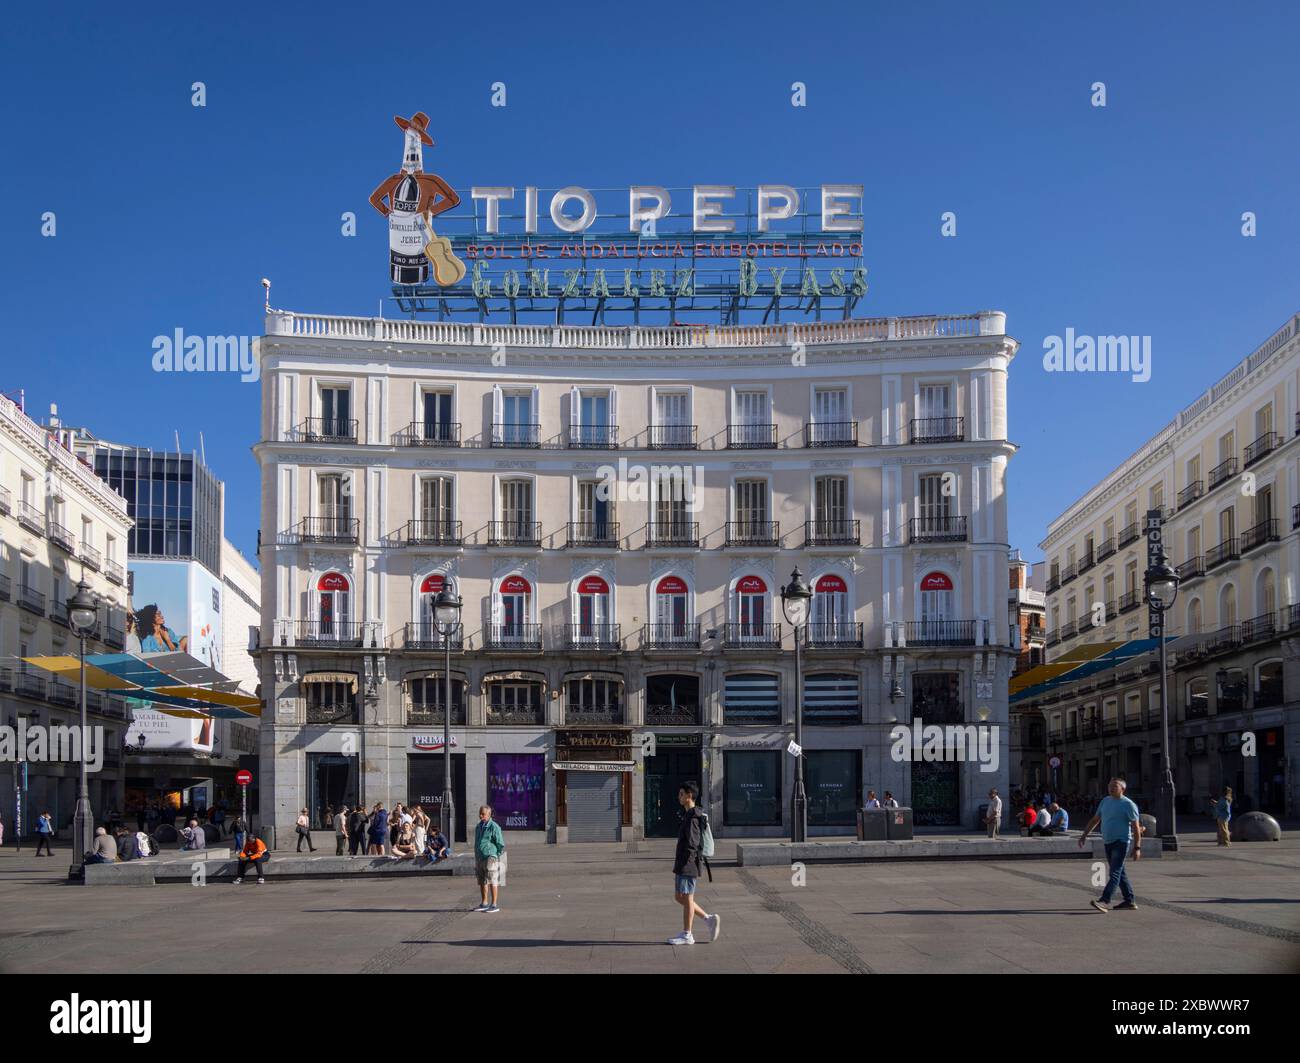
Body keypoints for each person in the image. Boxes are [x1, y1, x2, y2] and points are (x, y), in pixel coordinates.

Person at [1080, 777, 1142, 912]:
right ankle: (1129, 901)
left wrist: (1137, 847)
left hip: (1121, 842)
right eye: (1110, 786)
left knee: (1114, 872)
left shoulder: (1128, 804)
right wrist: (1084, 835)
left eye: (1115, 786)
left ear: (1123, 789)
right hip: (1108, 841)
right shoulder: (1105, 801)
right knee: (1120, 872)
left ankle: (1104, 900)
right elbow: (1096, 819)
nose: (1111, 788)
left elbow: (1136, 827)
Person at [668, 782, 718, 946]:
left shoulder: (693, 818)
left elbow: (693, 843)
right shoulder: (689, 815)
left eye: (681, 794)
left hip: (688, 864)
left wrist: (686, 865)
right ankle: (708, 919)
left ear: (689, 795)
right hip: (685, 863)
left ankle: (687, 934)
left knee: (688, 898)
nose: (679, 797)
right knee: (679, 897)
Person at [473, 804, 506, 913]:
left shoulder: (494, 827)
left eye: (483, 814)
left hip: (490, 857)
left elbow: (500, 843)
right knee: (482, 881)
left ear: (489, 814)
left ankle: (494, 904)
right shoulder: (478, 827)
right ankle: (484, 903)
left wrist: (495, 854)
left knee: (492, 880)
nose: (480, 815)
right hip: (480, 857)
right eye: (480, 813)